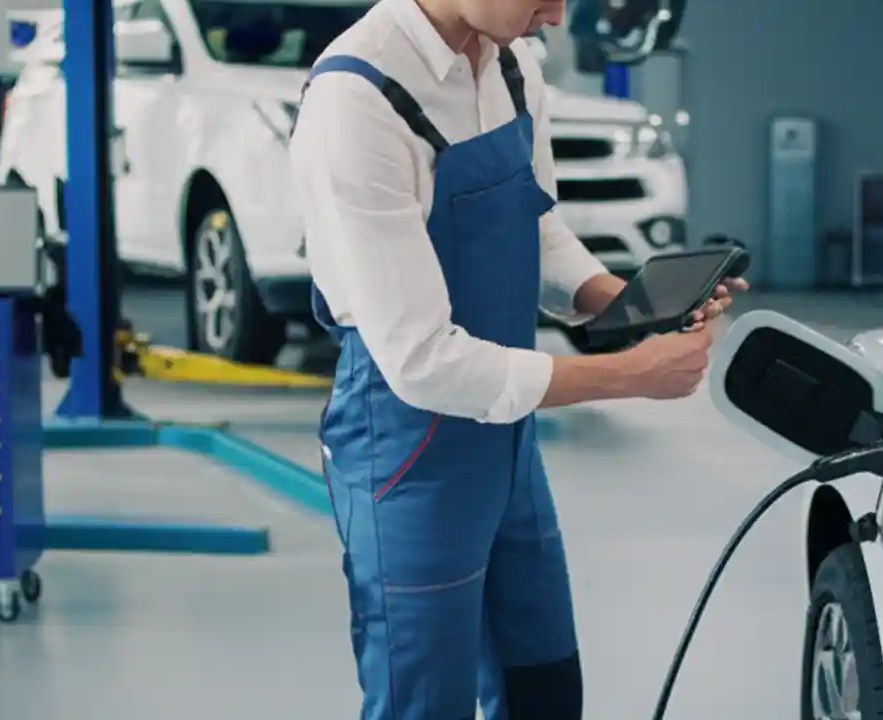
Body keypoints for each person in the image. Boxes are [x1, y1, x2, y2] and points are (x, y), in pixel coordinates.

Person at [288, 1, 748, 717]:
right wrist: (630, 376)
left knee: (545, 687)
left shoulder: (511, 62)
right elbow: (423, 362)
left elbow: (537, 226)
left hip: (507, 437)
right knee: (425, 702)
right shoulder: (356, 100)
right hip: (408, 449)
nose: (558, 16)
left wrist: (626, 304)